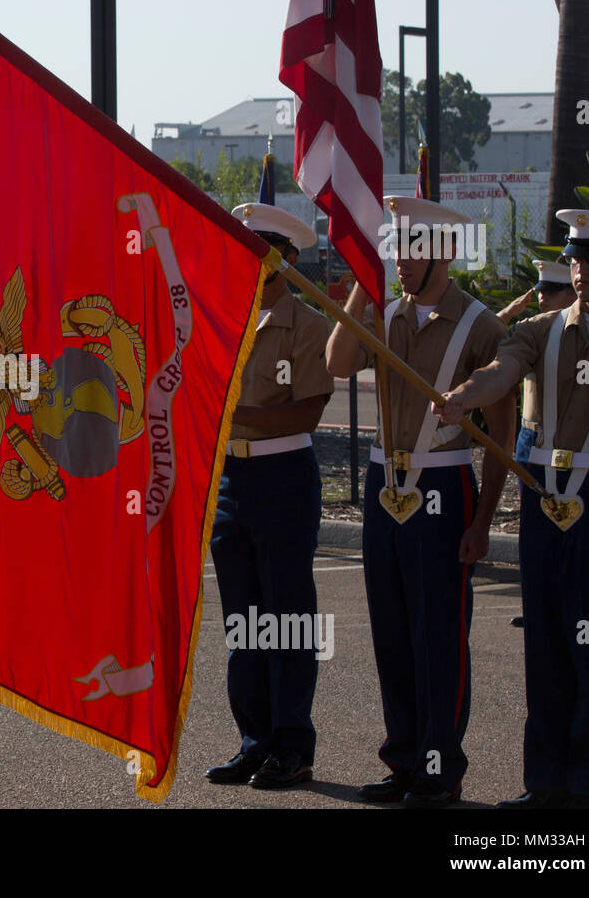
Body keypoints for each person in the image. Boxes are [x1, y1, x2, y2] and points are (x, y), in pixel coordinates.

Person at [434, 206, 589, 809]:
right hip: (543, 494)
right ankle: (544, 779)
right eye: (574, 259)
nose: (580, 271)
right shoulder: (543, 329)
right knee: (545, 641)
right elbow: (502, 371)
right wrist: (461, 397)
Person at [325, 196, 515, 808]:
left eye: (411, 250)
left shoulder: (482, 326)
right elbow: (336, 362)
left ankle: (440, 767)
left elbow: (502, 436)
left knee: (438, 635)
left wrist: (482, 519)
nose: (400, 262)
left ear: (444, 254)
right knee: (393, 632)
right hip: (386, 483)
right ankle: (404, 759)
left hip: (442, 485)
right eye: (394, 249)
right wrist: (361, 283)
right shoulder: (384, 313)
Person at [205, 203, 333, 789]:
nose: (246, 258)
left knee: (287, 619)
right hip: (231, 480)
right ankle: (254, 741)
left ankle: (292, 745)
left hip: (283, 478)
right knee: (245, 621)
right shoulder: (222, 315)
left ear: (284, 257)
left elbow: (307, 411)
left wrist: (234, 412)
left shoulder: (307, 326)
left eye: (258, 249)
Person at [501, 260, 575, 629]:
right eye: (541, 291)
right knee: (532, 526)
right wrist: (511, 311)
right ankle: (536, 606)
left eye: (551, 291)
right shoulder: (531, 331)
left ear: (571, 294)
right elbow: (483, 342)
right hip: (531, 438)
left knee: (568, 529)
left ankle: (568, 606)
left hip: (566, 441)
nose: (543, 298)